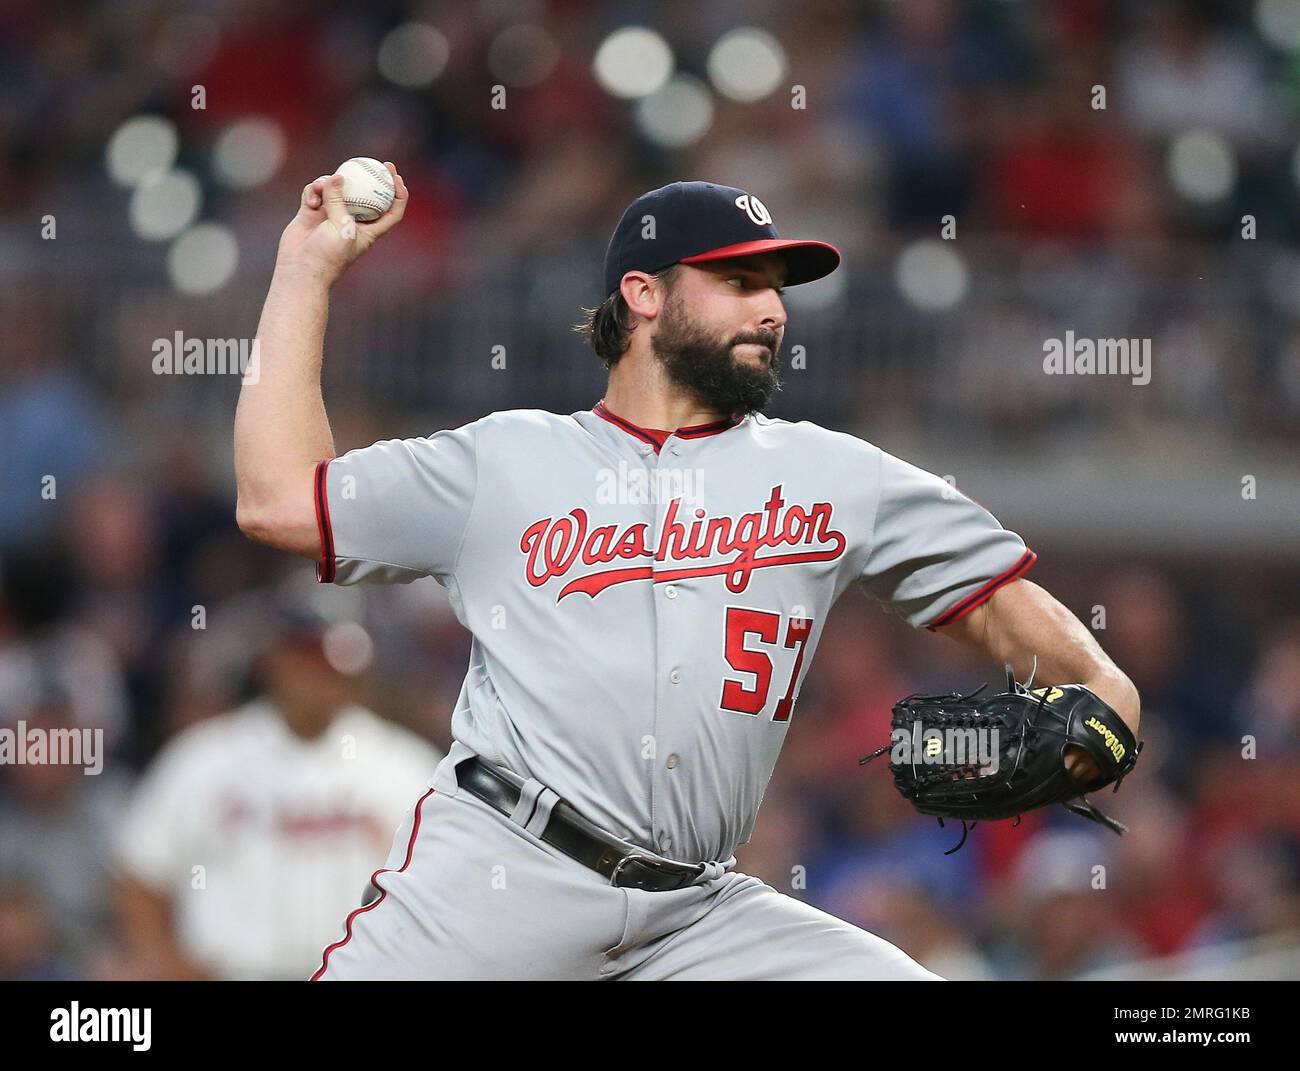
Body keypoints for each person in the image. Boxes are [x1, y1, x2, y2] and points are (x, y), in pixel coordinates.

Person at [234, 171, 1141, 980]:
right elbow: (279, 499)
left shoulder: (838, 475)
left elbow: (997, 600)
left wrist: (1105, 687)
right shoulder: (503, 461)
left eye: (777, 289)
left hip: (697, 917)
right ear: (644, 293)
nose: (773, 309)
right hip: (499, 878)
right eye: (739, 281)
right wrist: (306, 272)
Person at [112, 599, 442, 980]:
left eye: (326, 661)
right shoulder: (205, 757)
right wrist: (171, 966)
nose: (313, 674)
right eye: (303, 656)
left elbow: (447, 892)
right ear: (272, 660)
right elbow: (140, 878)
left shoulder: (405, 765)